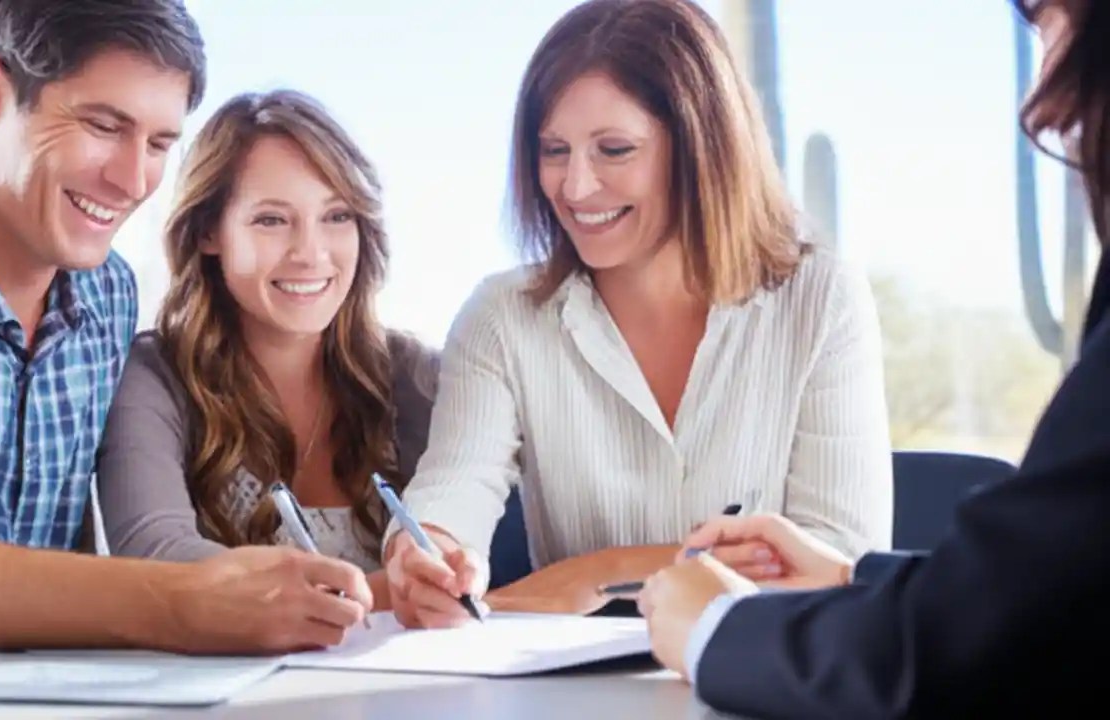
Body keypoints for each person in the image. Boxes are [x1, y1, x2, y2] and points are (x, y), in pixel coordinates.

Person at [0, 0, 370, 654]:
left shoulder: (106, 291)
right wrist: (174, 601)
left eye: (160, 144)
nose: (131, 178)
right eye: (103, 125)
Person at [636, 0, 1110, 716]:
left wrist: (714, 627)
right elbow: (1060, 601)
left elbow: (967, 660)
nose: (1044, 109)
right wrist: (849, 576)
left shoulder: (820, 292)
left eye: (1052, 29)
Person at [384, 0, 893, 629]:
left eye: (615, 149)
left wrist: (596, 571)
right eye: (553, 150)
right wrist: (428, 552)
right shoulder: (501, 318)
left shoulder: (822, 298)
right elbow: (455, 487)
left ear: (702, 148)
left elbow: (837, 561)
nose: (574, 187)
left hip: (766, 682)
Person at [95, 90, 439, 620]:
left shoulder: (415, 377)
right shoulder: (155, 375)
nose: (310, 254)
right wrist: (389, 593)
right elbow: (155, 556)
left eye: (337, 216)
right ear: (209, 231)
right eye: (272, 221)